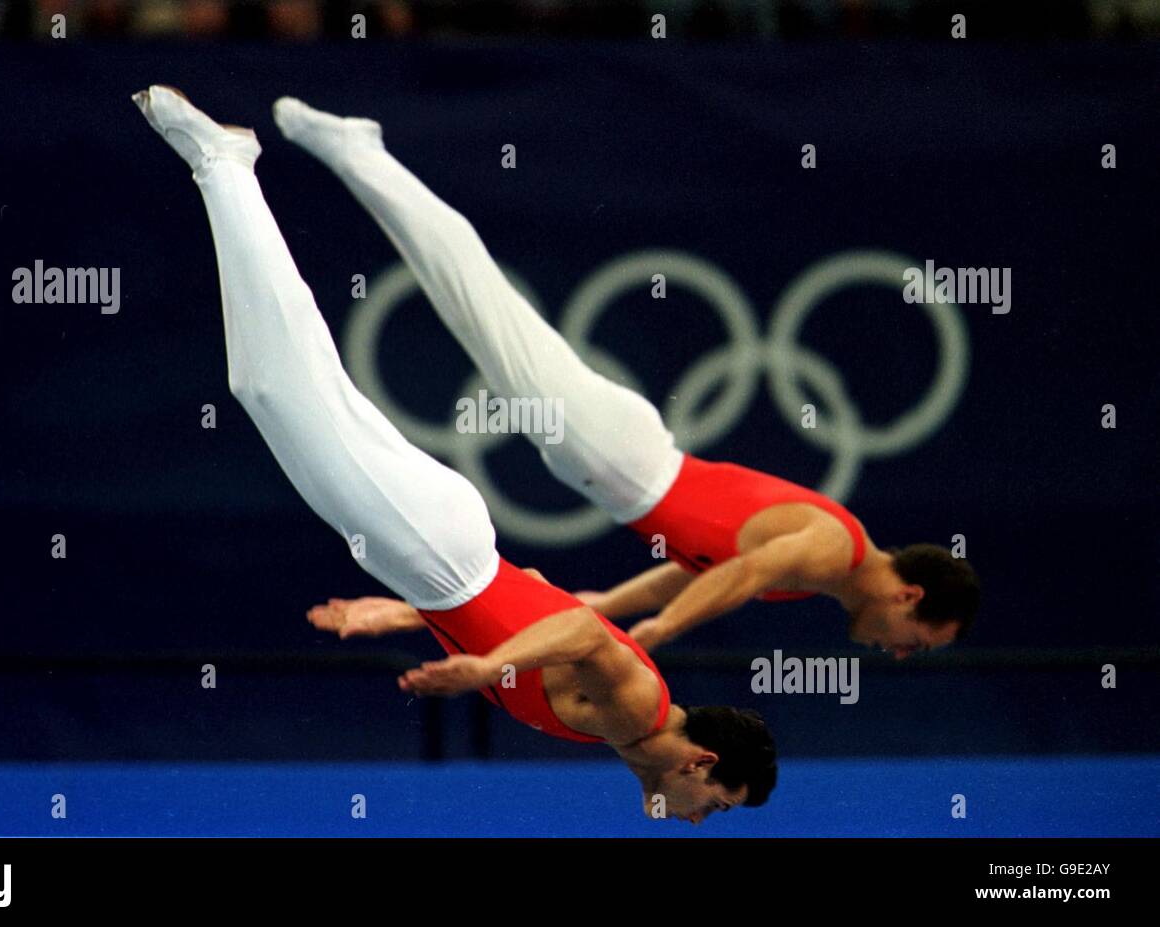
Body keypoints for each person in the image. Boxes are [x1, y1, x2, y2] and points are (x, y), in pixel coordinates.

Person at [132, 85, 776, 823]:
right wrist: (484, 664)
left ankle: (237, 166)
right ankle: (224, 163)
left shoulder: (621, 729)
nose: (698, 818)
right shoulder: (638, 709)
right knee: (275, 385)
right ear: (702, 761)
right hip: (438, 549)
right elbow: (587, 629)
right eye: (716, 804)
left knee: (268, 385)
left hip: (441, 559)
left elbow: (537, 589)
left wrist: (410, 615)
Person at [272, 97, 980, 660]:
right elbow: (739, 576)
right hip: (623, 456)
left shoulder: (823, 578)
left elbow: (702, 563)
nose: (900, 653)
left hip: (613, 464)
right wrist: (665, 630)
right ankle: (359, 148)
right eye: (918, 641)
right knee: (476, 300)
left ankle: (360, 154)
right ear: (909, 595)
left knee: (476, 306)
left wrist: (611, 604)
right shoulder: (837, 545)